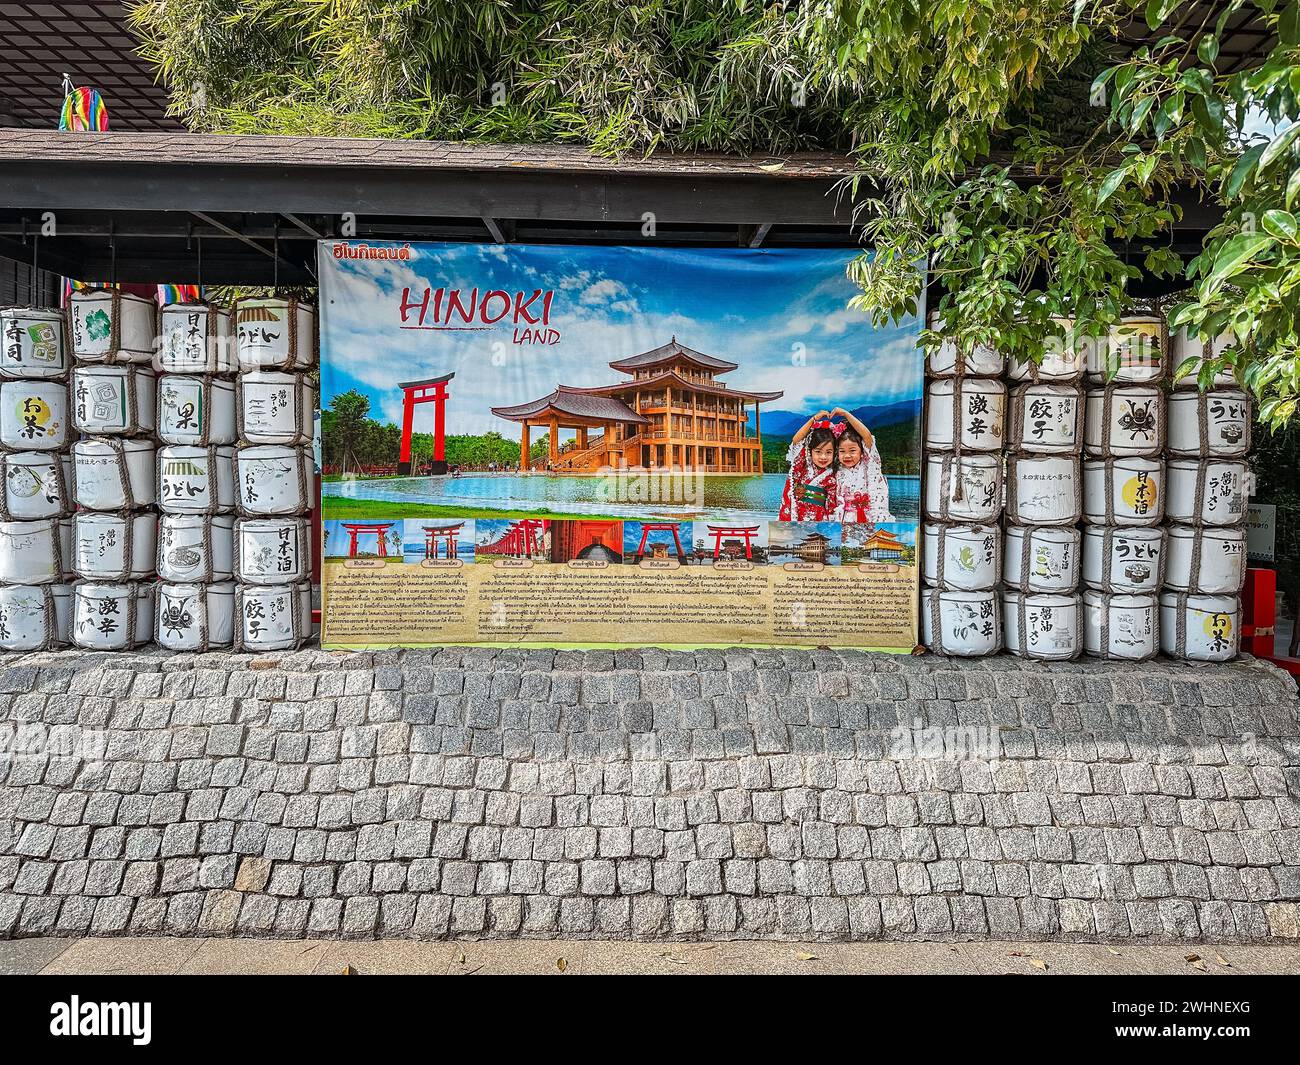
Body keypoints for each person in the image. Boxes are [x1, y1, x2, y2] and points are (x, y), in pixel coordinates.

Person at [829, 406, 893, 522]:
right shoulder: (838, 470)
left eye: (852, 450)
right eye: (842, 451)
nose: (847, 455)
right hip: (844, 519)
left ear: (862, 450)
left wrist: (845, 414)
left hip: (870, 517)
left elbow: (867, 436)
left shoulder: (869, 466)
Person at [779, 411, 838, 521]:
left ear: (834, 452)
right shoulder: (802, 466)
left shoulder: (832, 475)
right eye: (818, 452)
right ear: (810, 451)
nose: (823, 457)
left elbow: (831, 506)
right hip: (796, 513)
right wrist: (813, 419)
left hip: (818, 518)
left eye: (828, 452)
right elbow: (796, 440)